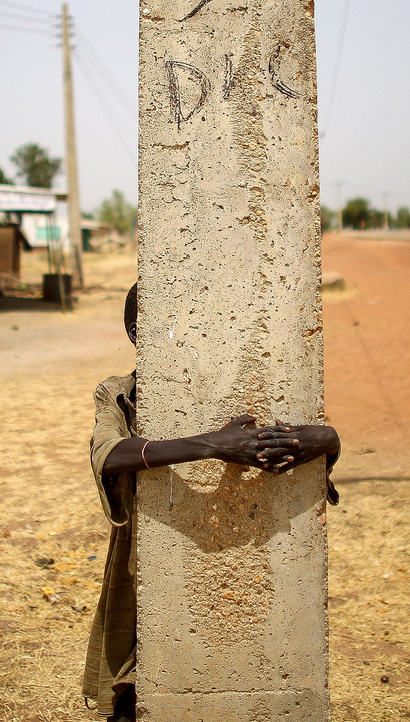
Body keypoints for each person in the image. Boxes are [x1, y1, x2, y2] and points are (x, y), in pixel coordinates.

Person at [82, 283, 342, 719]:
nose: (188, 335)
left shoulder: (230, 380)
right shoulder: (120, 393)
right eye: (173, 325)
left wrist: (328, 440)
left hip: (243, 557)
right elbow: (109, 455)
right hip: (149, 553)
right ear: (135, 333)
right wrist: (215, 445)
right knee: (136, 677)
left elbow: (305, 441)